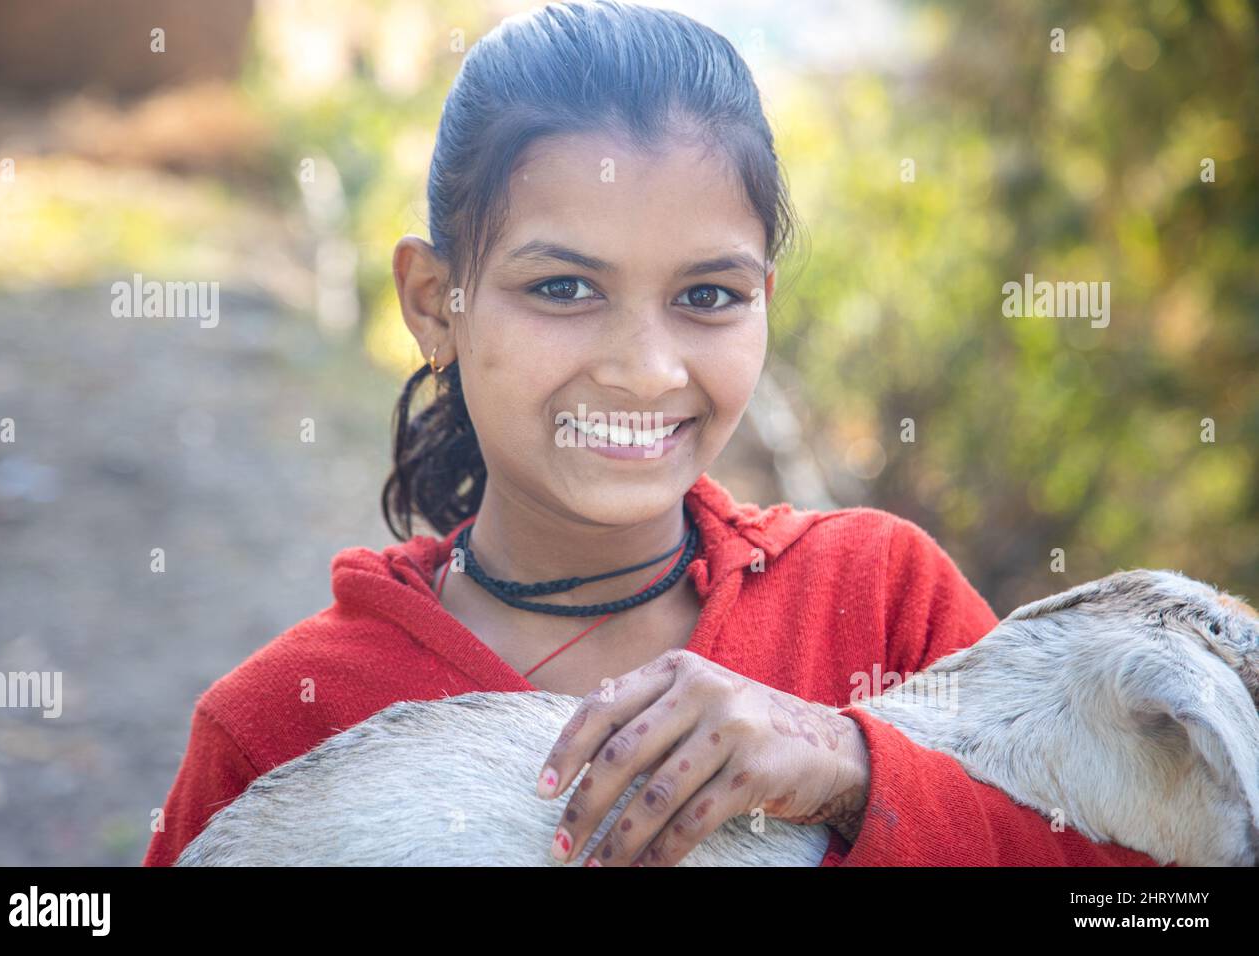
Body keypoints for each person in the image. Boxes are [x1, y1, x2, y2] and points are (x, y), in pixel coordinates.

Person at [143, 0, 1164, 867]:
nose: (646, 367)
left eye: (707, 295)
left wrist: (849, 765)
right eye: (564, 287)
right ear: (434, 302)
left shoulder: (880, 603)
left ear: (764, 300)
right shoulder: (281, 722)